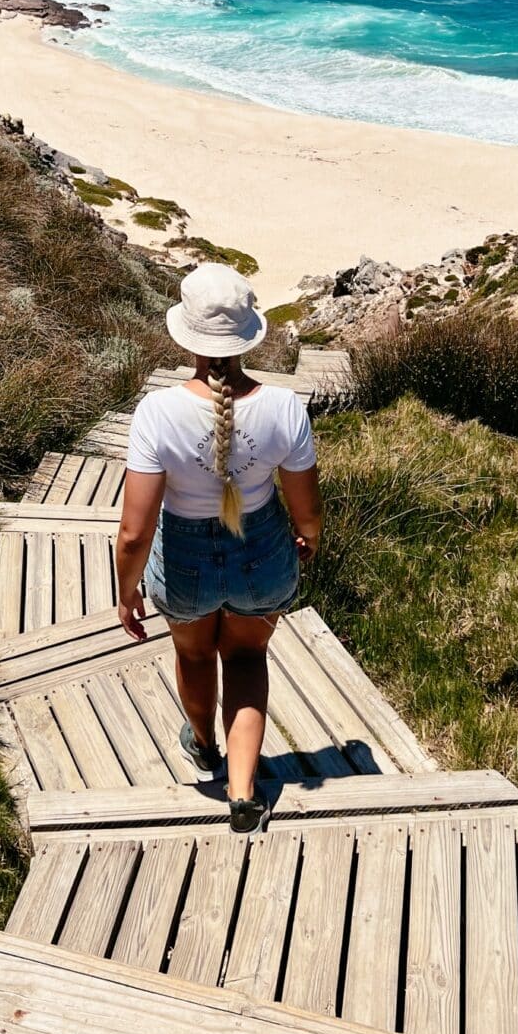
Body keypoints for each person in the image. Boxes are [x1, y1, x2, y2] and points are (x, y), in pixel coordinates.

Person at [115, 263, 323, 837]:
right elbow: (306, 510)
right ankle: (242, 790)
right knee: (248, 660)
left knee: (196, 656)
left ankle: (204, 744)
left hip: (184, 559)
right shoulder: (284, 409)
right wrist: (308, 539)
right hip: (261, 552)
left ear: (188, 336)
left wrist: (127, 590)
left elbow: (135, 531)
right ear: (246, 337)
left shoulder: (158, 413)